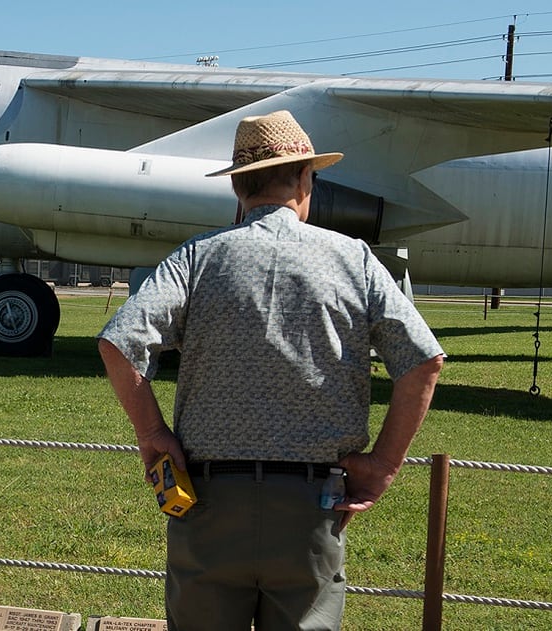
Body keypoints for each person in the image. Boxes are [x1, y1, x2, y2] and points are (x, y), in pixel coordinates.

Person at [98, 110, 444, 630]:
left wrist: (152, 433)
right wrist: (382, 466)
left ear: (238, 187)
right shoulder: (355, 259)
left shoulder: (196, 258)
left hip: (207, 504)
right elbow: (423, 362)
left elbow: (120, 343)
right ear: (305, 178)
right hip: (311, 508)